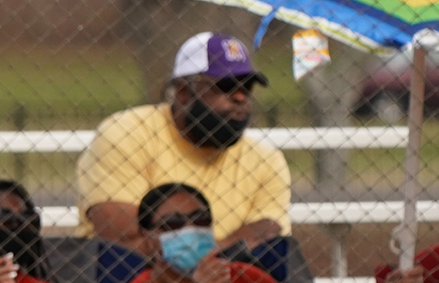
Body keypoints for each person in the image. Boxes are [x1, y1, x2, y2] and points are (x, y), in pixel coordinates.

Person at [77, 32, 291, 251]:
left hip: (225, 273)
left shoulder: (266, 160)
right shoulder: (127, 133)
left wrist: (204, 258)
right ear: (183, 91)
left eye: (247, 86)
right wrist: (225, 253)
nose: (240, 97)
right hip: (130, 272)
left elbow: (269, 232)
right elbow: (123, 240)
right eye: (225, 85)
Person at [102, 183, 319, 283]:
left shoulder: (249, 280)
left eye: (201, 220)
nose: (191, 229)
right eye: (173, 223)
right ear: (149, 238)